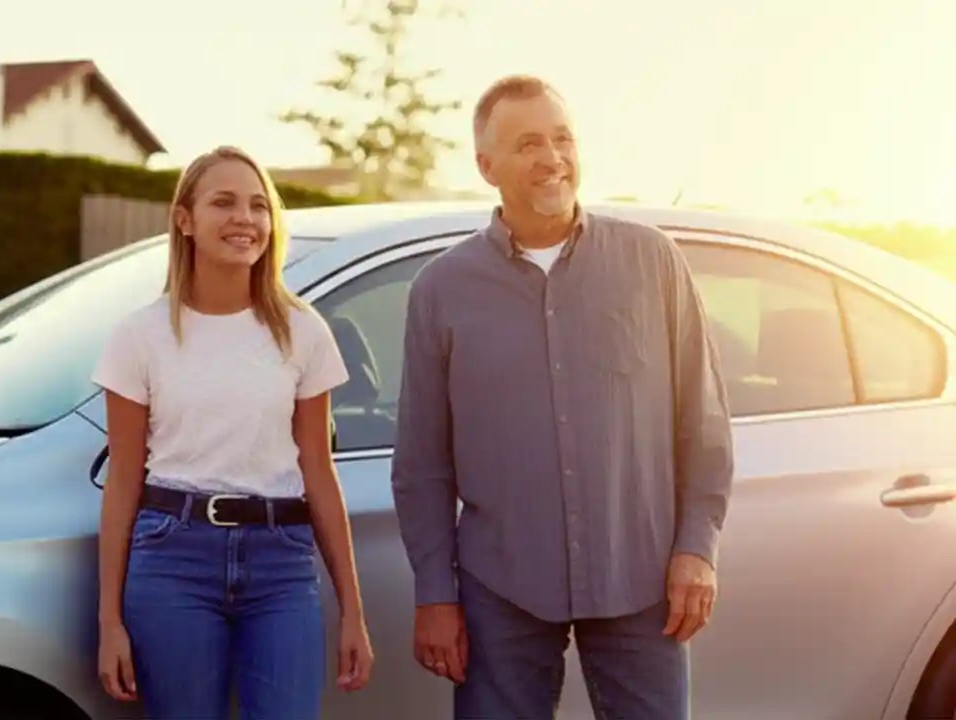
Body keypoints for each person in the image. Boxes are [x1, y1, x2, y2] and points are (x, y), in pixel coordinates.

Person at [391, 75, 734, 719]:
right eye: (527, 143)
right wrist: (436, 593)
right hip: (501, 587)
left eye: (562, 138)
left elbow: (704, 422)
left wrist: (696, 549)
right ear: (486, 166)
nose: (552, 157)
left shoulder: (652, 262)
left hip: (642, 575)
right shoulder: (441, 290)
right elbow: (422, 462)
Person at [92, 145, 374, 720]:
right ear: (185, 219)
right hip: (173, 559)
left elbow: (318, 471)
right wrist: (109, 622)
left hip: (282, 564)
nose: (245, 219)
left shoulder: (302, 332)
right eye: (224, 203)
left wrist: (353, 611)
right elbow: (123, 480)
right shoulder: (139, 336)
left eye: (258, 206)